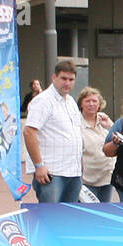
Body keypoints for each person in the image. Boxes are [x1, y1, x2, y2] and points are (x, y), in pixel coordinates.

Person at [23, 62, 83, 203]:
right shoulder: (43, 101)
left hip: (73, 172)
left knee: (68, 218)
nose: (67, 83)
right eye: (63, 78)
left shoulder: (71, 102)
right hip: (52, 173)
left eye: (71, 79)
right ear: (54, 77)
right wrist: (39, 166)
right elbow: (29, 132)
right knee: (50, 218)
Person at [77, 87, 115, 202]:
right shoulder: (76, 124)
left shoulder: (104, 121)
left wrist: (110, 126)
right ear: (81, 104)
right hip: (86, 180)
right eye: (87, 101)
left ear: (100, 104)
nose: (91, 104)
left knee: (104, 212)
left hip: (107, 176)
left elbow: (119, 141)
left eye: (94, 101)